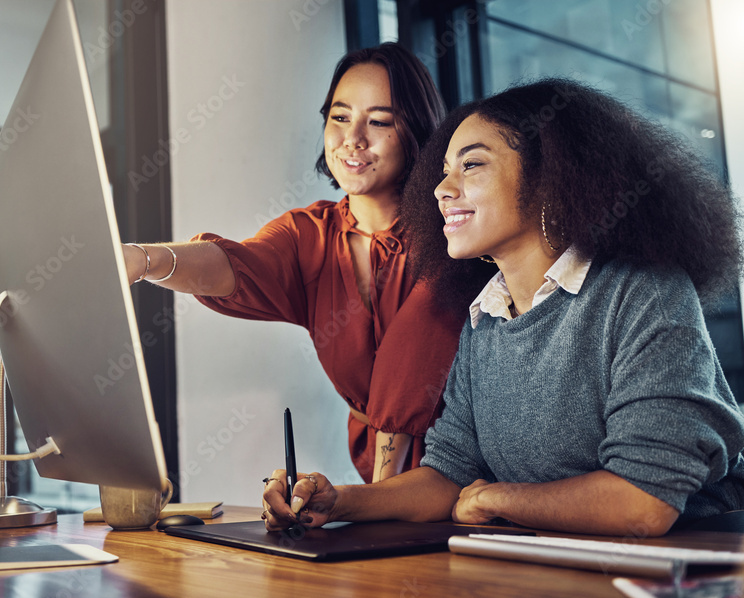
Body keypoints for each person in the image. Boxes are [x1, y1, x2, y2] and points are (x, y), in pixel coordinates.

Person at [261, 78, 744, 536]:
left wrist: (497, 501)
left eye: (470, 165)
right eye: (445, 169)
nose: (440, 189)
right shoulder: (485, 318)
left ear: (552, 180)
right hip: (554, 573)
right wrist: (338, 502)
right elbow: (447, 475)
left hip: (691, 566)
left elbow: (644, 504)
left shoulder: (642, 294)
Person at [123, 44, 492, 482]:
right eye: (339, 117)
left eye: (378, 121)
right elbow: (236, 265)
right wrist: (143, 259)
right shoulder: (309, 235)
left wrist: (378, 496)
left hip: (471, 465)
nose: (353, 138)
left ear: (416, 130)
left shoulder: (455, 226)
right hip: (373, 468)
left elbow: (417, 347)